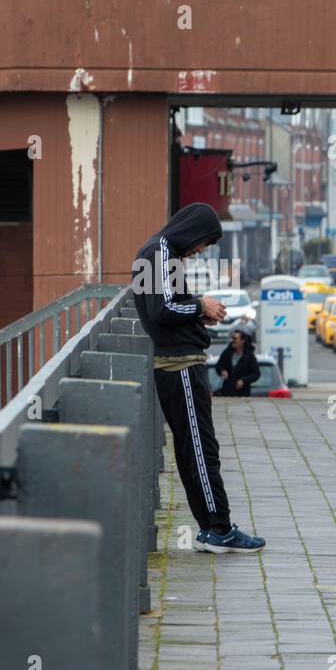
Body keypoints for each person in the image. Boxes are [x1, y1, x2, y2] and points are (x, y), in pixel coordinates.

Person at [131, 203, 266, 554]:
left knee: (194, 450)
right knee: (201, 450)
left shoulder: (160, 252)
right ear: (192, 231)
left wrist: (194, 314)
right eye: (203, 243)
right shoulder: (160, 252)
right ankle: (218, 529)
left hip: (178, 364)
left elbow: (166, 307)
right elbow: (162, 309)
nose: (201, 250)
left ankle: (212, 527)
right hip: (180, 367)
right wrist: (199, 306)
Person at [215, 327, 261, 397]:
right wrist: (222, 371)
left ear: (242, 341)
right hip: (226, 392)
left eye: (235, 338)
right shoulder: (227, 352)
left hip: (243, 393)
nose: (232, 340)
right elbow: (218, 365)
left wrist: (243, 380)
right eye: (232, 338)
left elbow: (256, 374)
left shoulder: (249, 356)